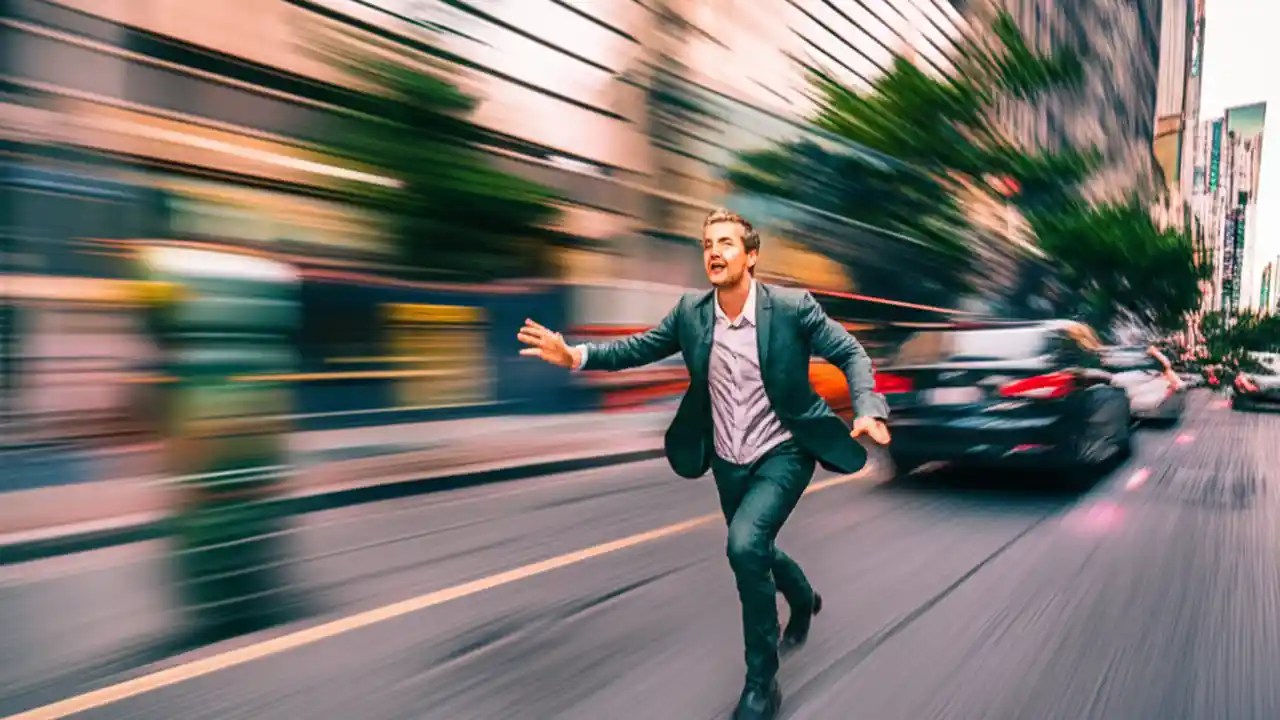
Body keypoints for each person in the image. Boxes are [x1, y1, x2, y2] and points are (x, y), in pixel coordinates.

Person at [517, 208, 890, 720]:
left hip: (784, 449)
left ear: (751, 256)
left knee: (744, 544)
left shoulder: (791, 307)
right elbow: (637, 348)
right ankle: (802, 598)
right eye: (707, 244)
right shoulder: (691, 312)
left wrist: (868, 407)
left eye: (726, 243)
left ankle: (762, 685)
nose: (714, 251)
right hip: (727, 456)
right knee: (752, 544)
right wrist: (575, 355)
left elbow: (850, 353)